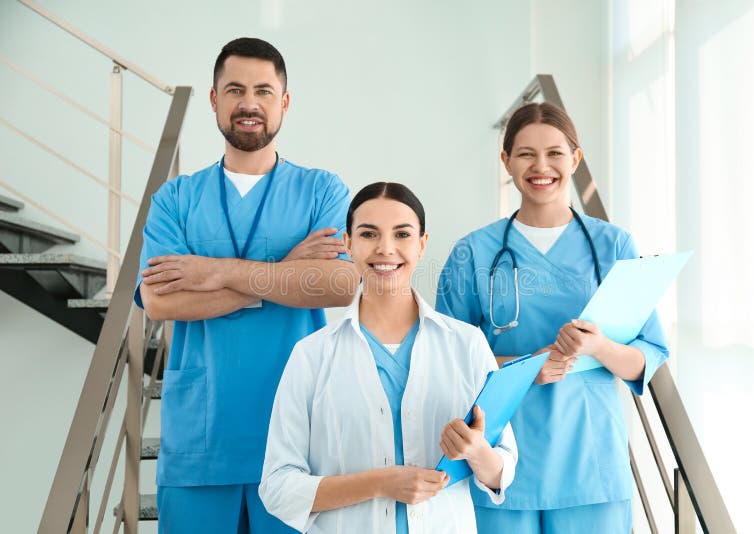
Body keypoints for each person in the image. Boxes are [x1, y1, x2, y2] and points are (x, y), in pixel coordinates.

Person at [135, 37, 359, 533]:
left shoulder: (322, 190)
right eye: (234, 90)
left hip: (295, 439)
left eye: (263, 90)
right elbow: (157, 299)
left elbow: (339, 284)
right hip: (201, 440)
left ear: (284, 101)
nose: (249, 103)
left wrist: (213, 271)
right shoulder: (176, 198)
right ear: (215, 100)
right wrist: (286, 271)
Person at [435, 102, 669, 533]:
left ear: (576, 159)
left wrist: (598, 345)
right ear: (505, 161)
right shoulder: (472, 253)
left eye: (555, 153)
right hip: (499, 461)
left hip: (590, 464)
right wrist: (526, 368)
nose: (541, 166)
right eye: (525, 153)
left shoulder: (613, 245)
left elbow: (646, 358)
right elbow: (445, 362)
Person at [259, 182, 517, 533]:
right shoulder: (312, 355)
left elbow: (502, 468)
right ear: (348, 244)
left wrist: (477, 452)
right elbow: (277, 487)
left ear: (422, 244)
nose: (386, 248)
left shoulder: (466, 344)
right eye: (369, 234)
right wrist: (379, 483)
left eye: (402, 234)